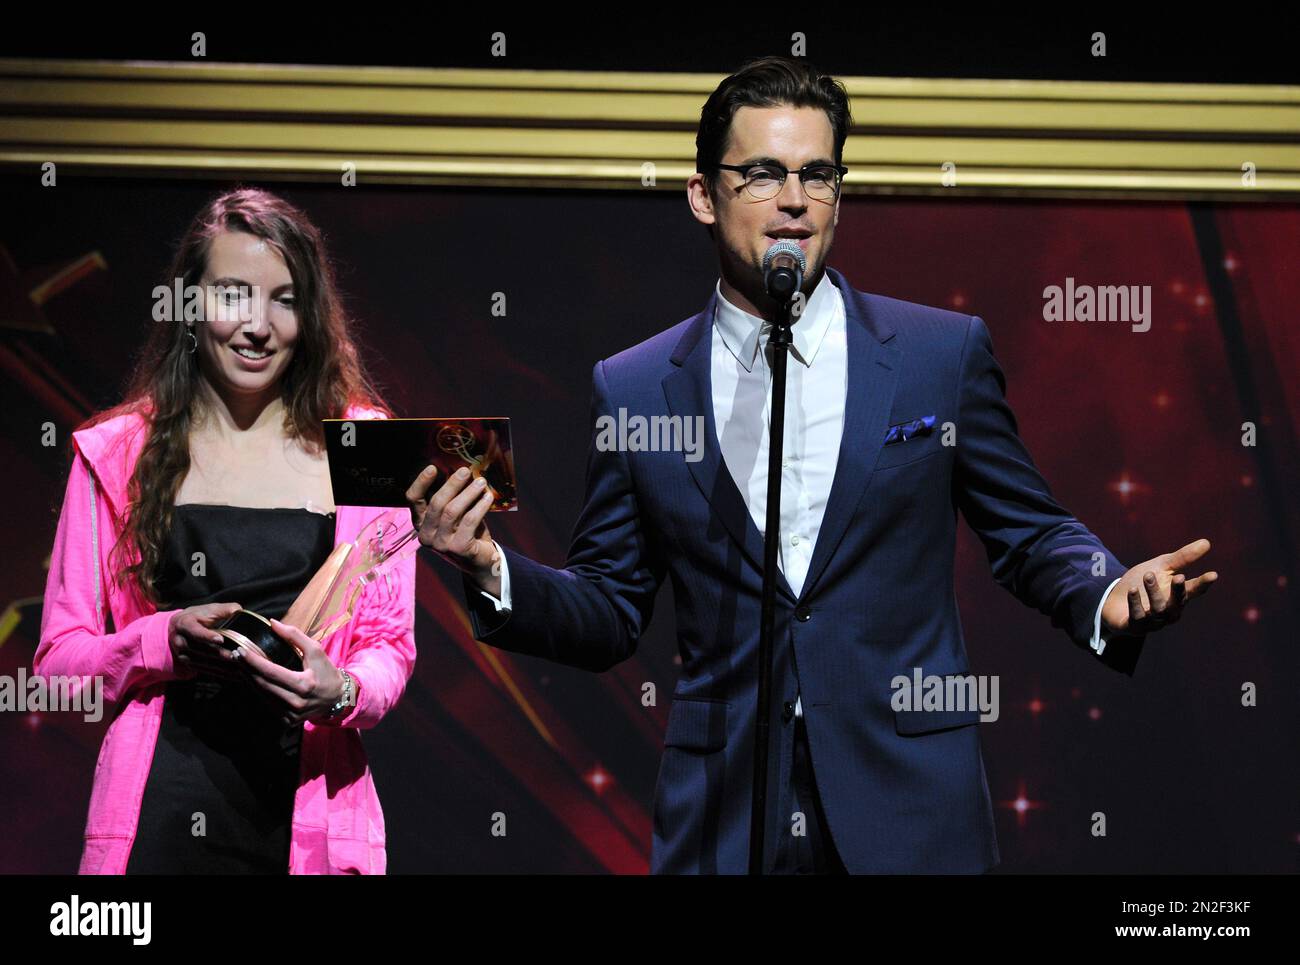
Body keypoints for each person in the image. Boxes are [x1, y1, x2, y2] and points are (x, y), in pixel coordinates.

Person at [407, 57, 1218, 874]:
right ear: (702, 195)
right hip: (726, 819)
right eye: (761, 173)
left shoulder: (939, 354)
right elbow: (612, 605)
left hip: (909, 813)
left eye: (817, 174)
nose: (794, 199)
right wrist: (487, 565)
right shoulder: (636, 386)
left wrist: (1107, 588)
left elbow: (1030, 530)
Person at [36, 187, 416, 874]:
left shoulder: (366, 447)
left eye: (285, 299)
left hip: (308, 826)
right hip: (157, 823)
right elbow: (60, 669)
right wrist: (162, 640)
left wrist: (342, 690)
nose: (258, 326)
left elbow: (390, 645)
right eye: (234, 294)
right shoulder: (114, 453)